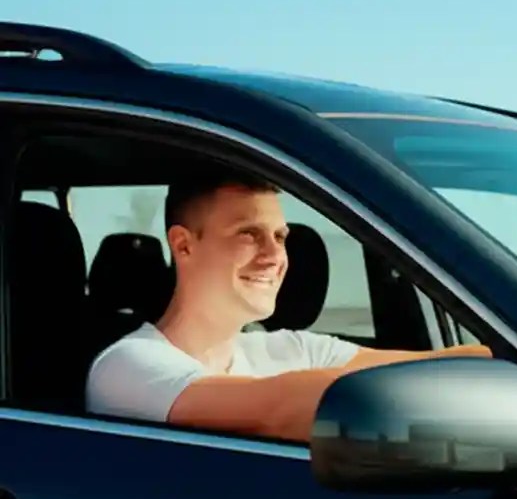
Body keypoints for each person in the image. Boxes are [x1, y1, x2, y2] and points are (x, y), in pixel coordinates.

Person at [85, 170, 492, 442]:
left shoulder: (291, 350)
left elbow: (432, 368)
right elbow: (279, 410)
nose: (274, 256)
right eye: (249, 234)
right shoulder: (127, 367)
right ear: (184, 245)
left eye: (280, 237)